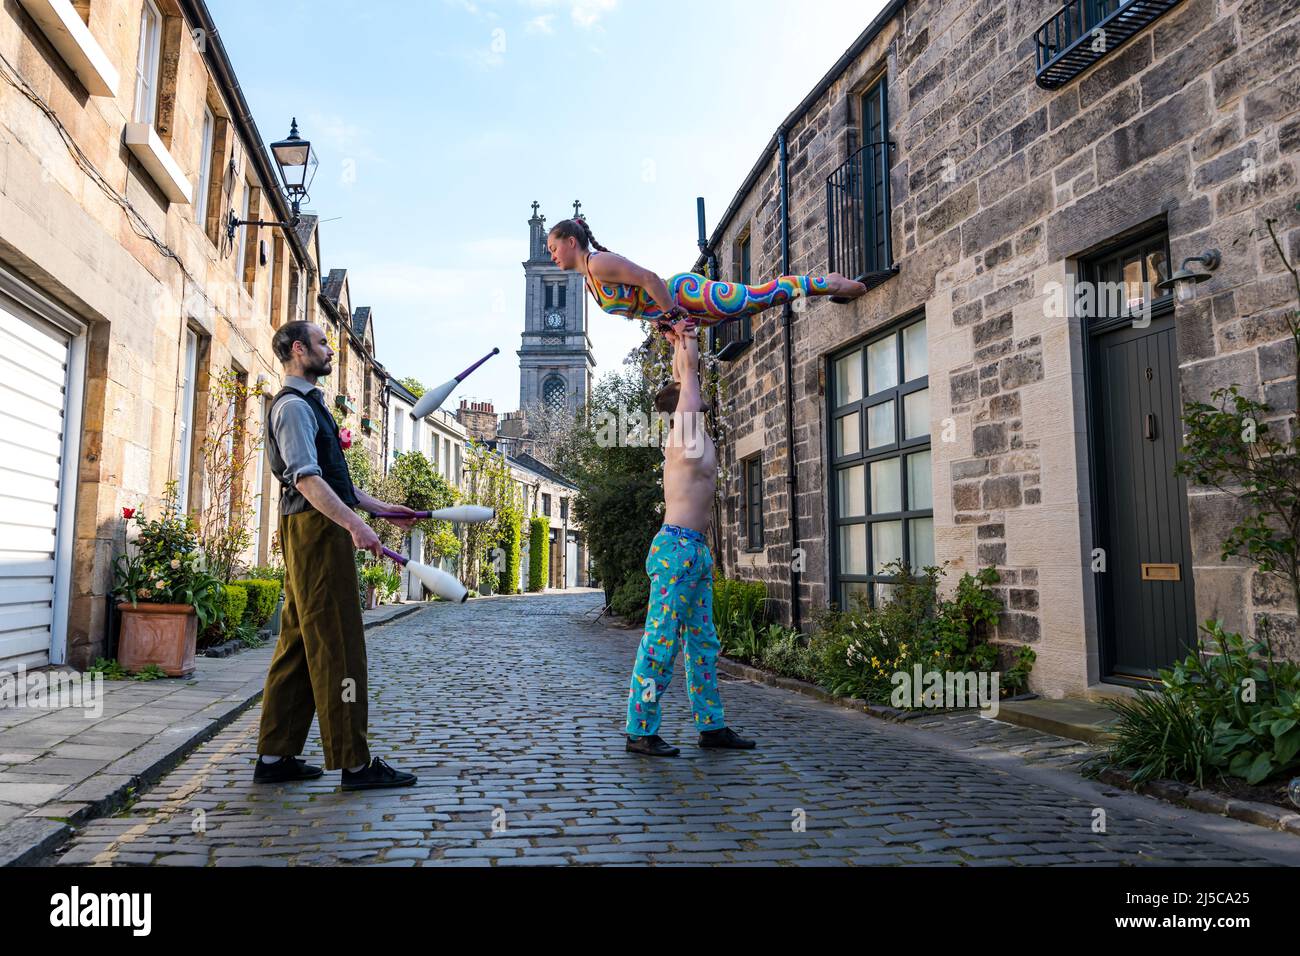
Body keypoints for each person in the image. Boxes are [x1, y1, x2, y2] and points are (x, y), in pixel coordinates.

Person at [254, 321, 422, 791]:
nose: (331, 351)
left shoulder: (308, 406)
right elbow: (306, 480)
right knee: (339, 643)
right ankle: (354, 763)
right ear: (298, 349)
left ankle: (274, 755)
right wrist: (355, 526)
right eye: (324, 343)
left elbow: (330, 478)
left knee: (299, 642)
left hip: (313, 528)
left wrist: (377, 507)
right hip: (316, 532)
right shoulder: (292, 408)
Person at [624, 321, 756, 757]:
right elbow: (691, 384)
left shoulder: (696, 438)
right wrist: (691, 341)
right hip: (676, 548)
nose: (694, 402)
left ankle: (711, 726)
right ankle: (640, 730)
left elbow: (685, 378)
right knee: (661, 639)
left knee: (703, 643)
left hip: (695, 551)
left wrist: (678, 342)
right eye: (689, 402)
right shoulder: (684, 436)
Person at [546, 216, 867, 332]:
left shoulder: (598, 264)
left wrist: (671, 312)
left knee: (760, 297)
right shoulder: (590, 279)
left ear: (571, 242)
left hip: (686, 296)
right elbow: (642, 300)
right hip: (683, 311)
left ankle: (829, 282)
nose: (552, 255)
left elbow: (650, 279)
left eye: (553, 247)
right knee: (757, 304)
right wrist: (662, 318)